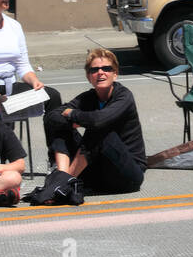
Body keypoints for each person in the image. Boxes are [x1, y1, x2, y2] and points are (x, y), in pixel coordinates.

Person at [43, 48, 146, 197]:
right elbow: (52, 116)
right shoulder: (88, 98)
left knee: (98, 128)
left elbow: (98, 121)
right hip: (99, 172)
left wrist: (73, 114)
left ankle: (65, 184)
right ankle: (62, 177)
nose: (100, 72)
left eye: (107, 69)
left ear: (115, 74)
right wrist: (75, 120)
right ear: (88, 76)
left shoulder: (124, 96)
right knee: (58, 125)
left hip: (128, 174)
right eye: (94, 70)